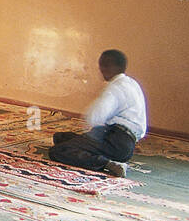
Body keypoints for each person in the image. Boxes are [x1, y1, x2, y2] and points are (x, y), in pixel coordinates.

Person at [48, 49, 147, 177]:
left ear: (107, 67)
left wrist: (88, 137)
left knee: (59, 151)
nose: (100, 70)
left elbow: (95, 116)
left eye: (102, 66)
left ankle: (107, 163)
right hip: (127, 145)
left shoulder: (114, 88)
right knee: (61, 137)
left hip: (113, 139)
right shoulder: (132, 83)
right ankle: (104, 155)